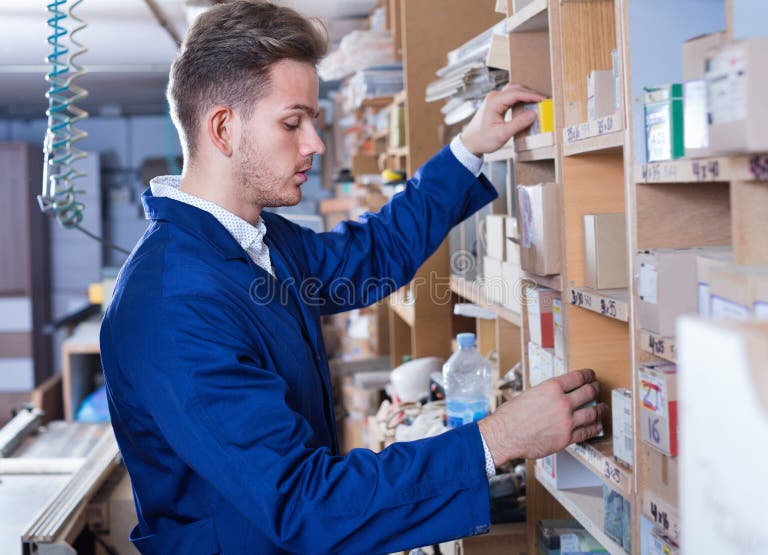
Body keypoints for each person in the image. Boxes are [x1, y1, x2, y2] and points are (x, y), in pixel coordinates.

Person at [100, 1, 606, 553]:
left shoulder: (254, 241)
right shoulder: (173, 305)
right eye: (293, 122)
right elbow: (303, 503)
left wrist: (468, 149)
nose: (315, 143)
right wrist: (500, 437)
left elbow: (369, 255)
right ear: (223, 127)